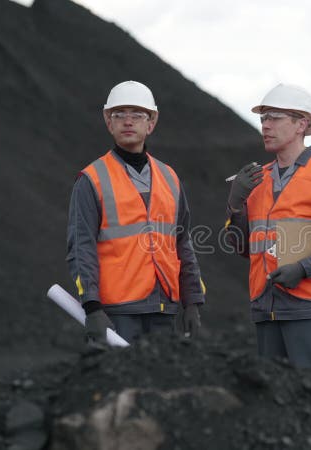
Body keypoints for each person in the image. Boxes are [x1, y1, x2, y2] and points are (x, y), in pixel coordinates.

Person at [224, 84, 311, 376]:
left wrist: (303, 269)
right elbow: (243, 248)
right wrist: (235, 206)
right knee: (274, 398)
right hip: (267, 308)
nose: (266, 125)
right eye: (263, 119)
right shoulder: (257, 179)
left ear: (301, 124)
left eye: (275, 118)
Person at [67, 80, 205, 345]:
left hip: (163, 311)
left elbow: (183, 244)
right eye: (119, 114)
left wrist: (192, 301)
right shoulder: (92, 179)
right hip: (116, 314)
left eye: (137, 115)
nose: (128, 121)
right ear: (109, 123)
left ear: (151, 123)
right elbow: (81, 248)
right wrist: (92, 306)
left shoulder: (170, 178)